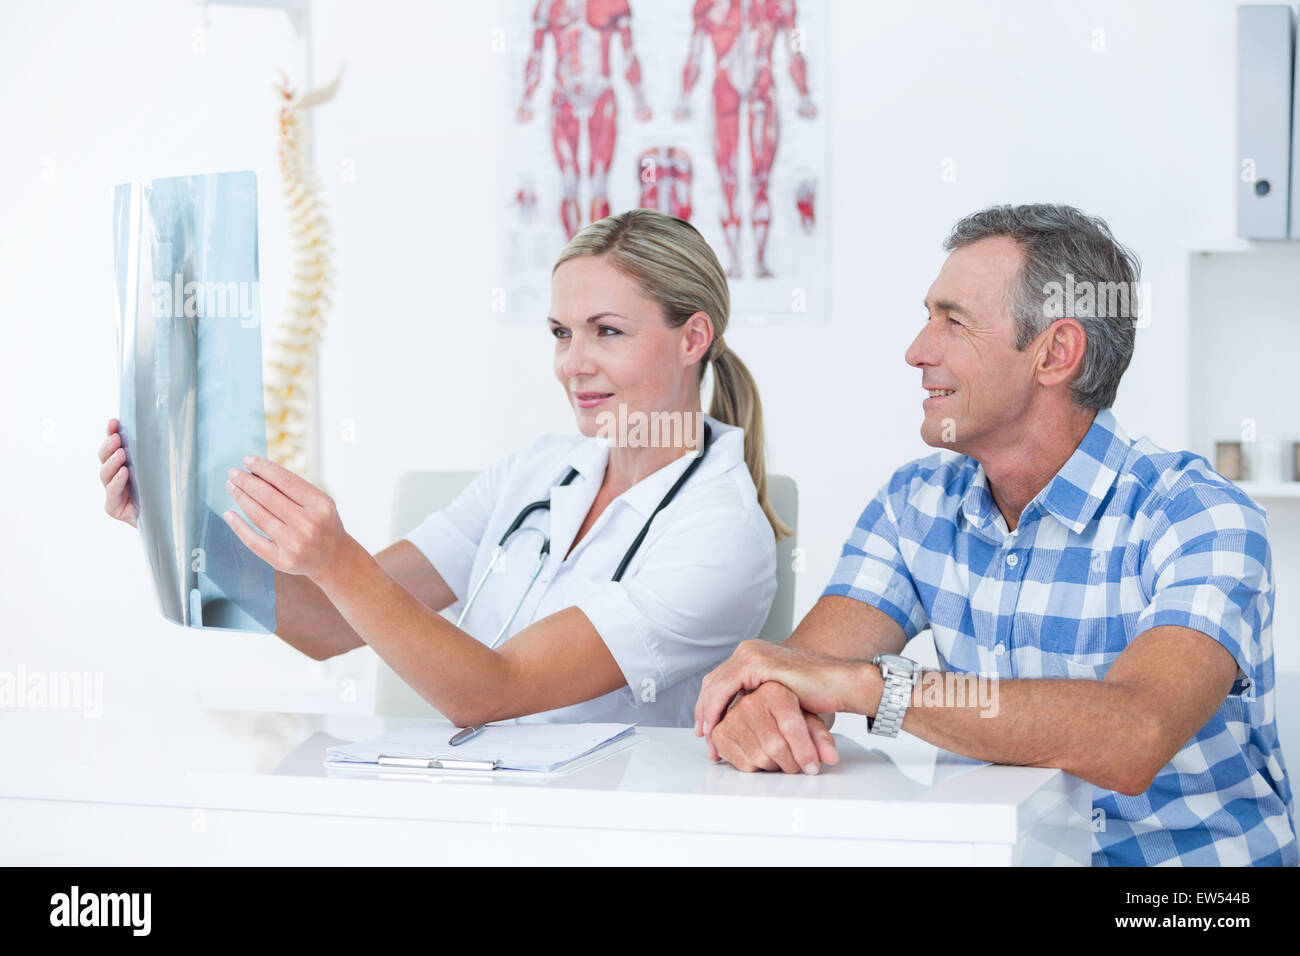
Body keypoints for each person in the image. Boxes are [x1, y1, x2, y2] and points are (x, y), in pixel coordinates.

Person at [695, 203, 1298, 866]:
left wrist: (876, 687)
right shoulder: (914, 503)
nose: (917, 351)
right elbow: (799, 672)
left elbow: (1134, 735)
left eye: (953, 321)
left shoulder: (1197, 516)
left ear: (1055, 353)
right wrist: (763, 704)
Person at [100, 208, 782, 728]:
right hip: (461, 812)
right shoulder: (540, 471)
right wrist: (179, 523)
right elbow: (327, 625)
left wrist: (336, 556)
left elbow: (491, 690)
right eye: (560, 333)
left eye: (607, 331)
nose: (573, 364)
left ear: (693, 337)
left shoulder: (720, 533)